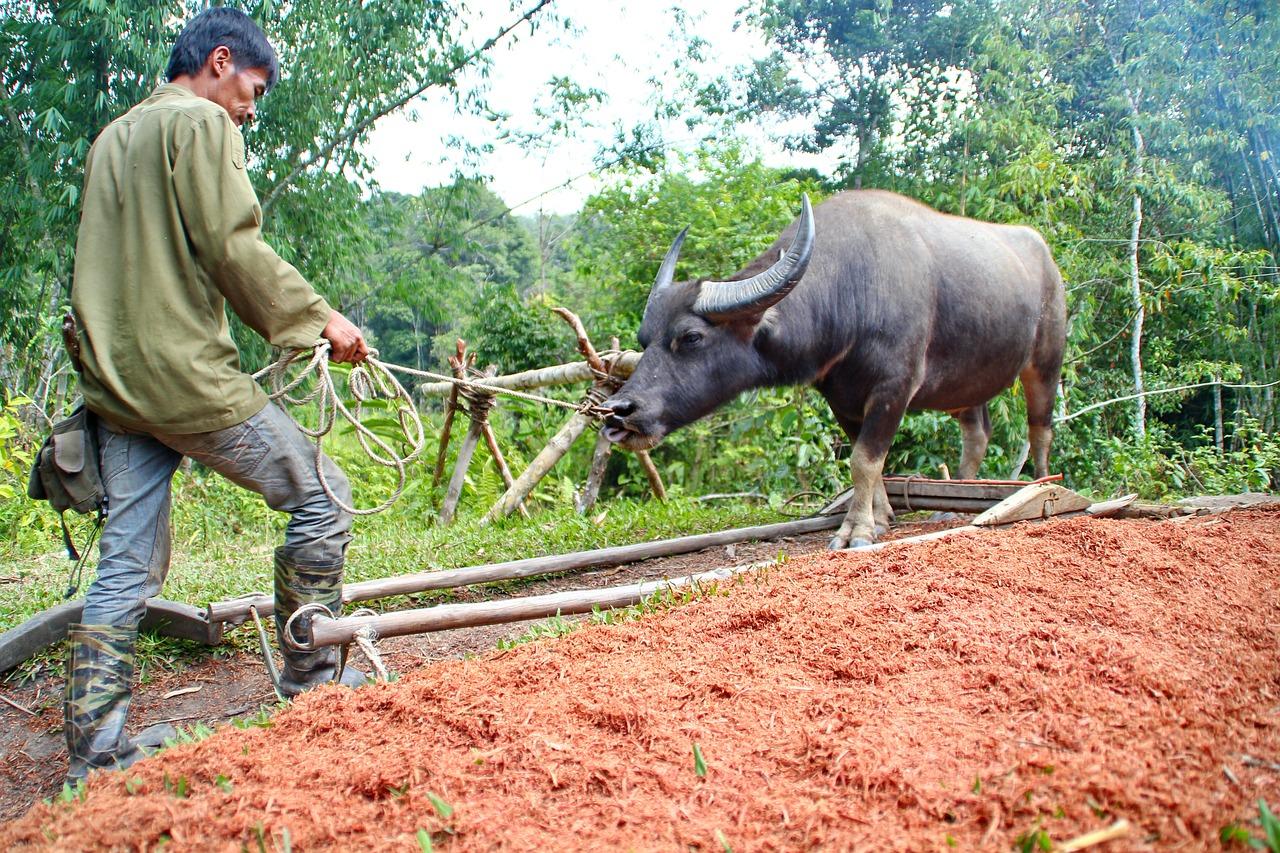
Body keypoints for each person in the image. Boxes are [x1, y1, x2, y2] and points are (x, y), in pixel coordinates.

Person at [65, 7, 368, 782]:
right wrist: (319, 318)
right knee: (324, 497)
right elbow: (233, 247)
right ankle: (314, 687)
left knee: (125, 565)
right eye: (253, 90)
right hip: (186, 380)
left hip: (116, 386)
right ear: (220, 61)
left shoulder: (111, 139)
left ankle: (96, 754)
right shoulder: (201, 123)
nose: (250, 109)